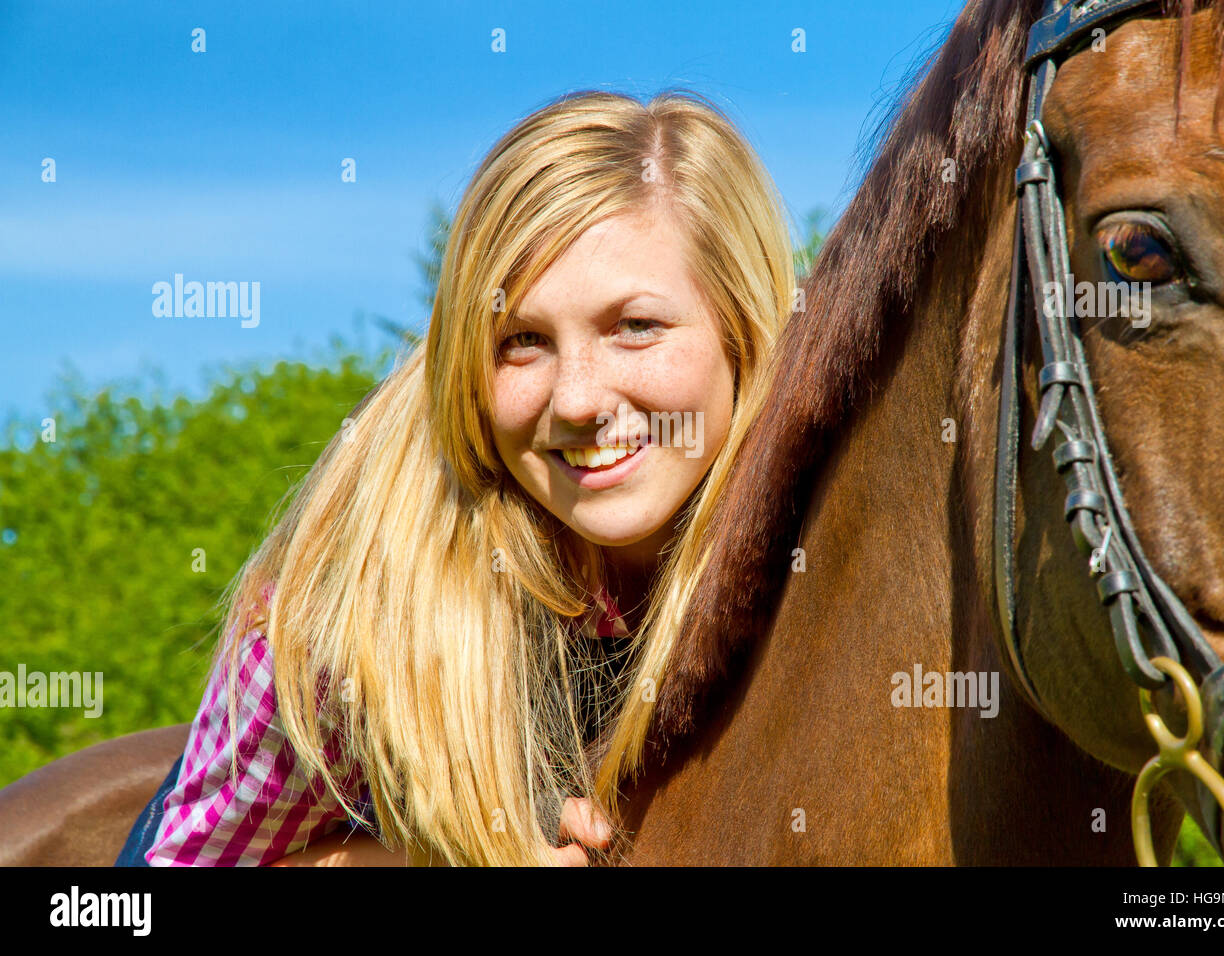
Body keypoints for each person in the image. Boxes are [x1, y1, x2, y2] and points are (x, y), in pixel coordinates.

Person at [116, 88, 796, 866]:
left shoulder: (835, 540)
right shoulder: (348, 610)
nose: (576, 398)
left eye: (635, 326)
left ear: (742, 329)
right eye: (523, 341)